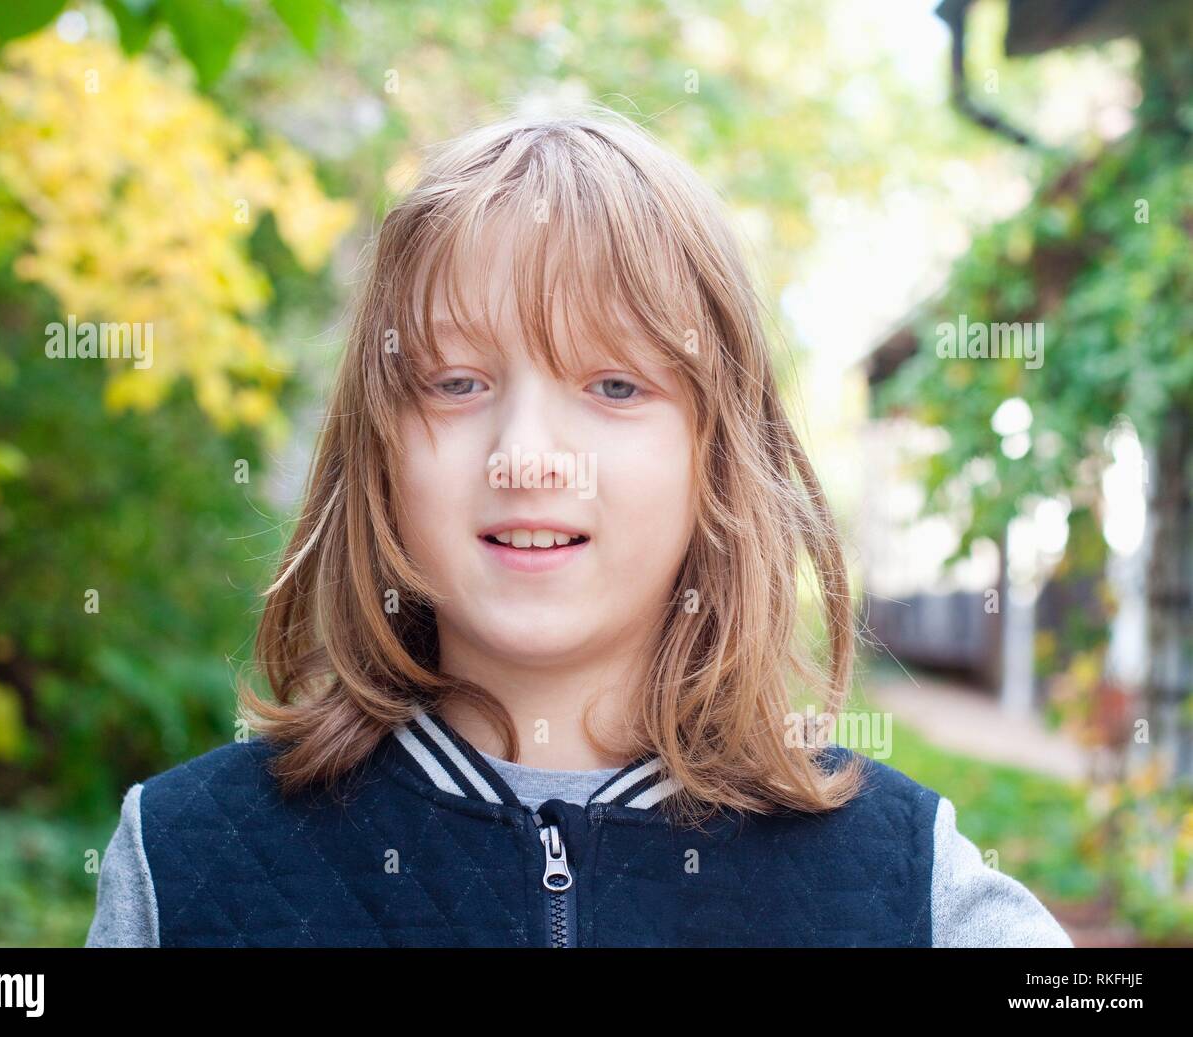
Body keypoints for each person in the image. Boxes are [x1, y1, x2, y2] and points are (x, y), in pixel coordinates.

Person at [85, 104, 1073, 948]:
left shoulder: (908, 887)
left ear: (716, 453)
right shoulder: (184, 861)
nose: (525, 453)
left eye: (613, 384)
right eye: (458, 383)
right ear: (379, 446)